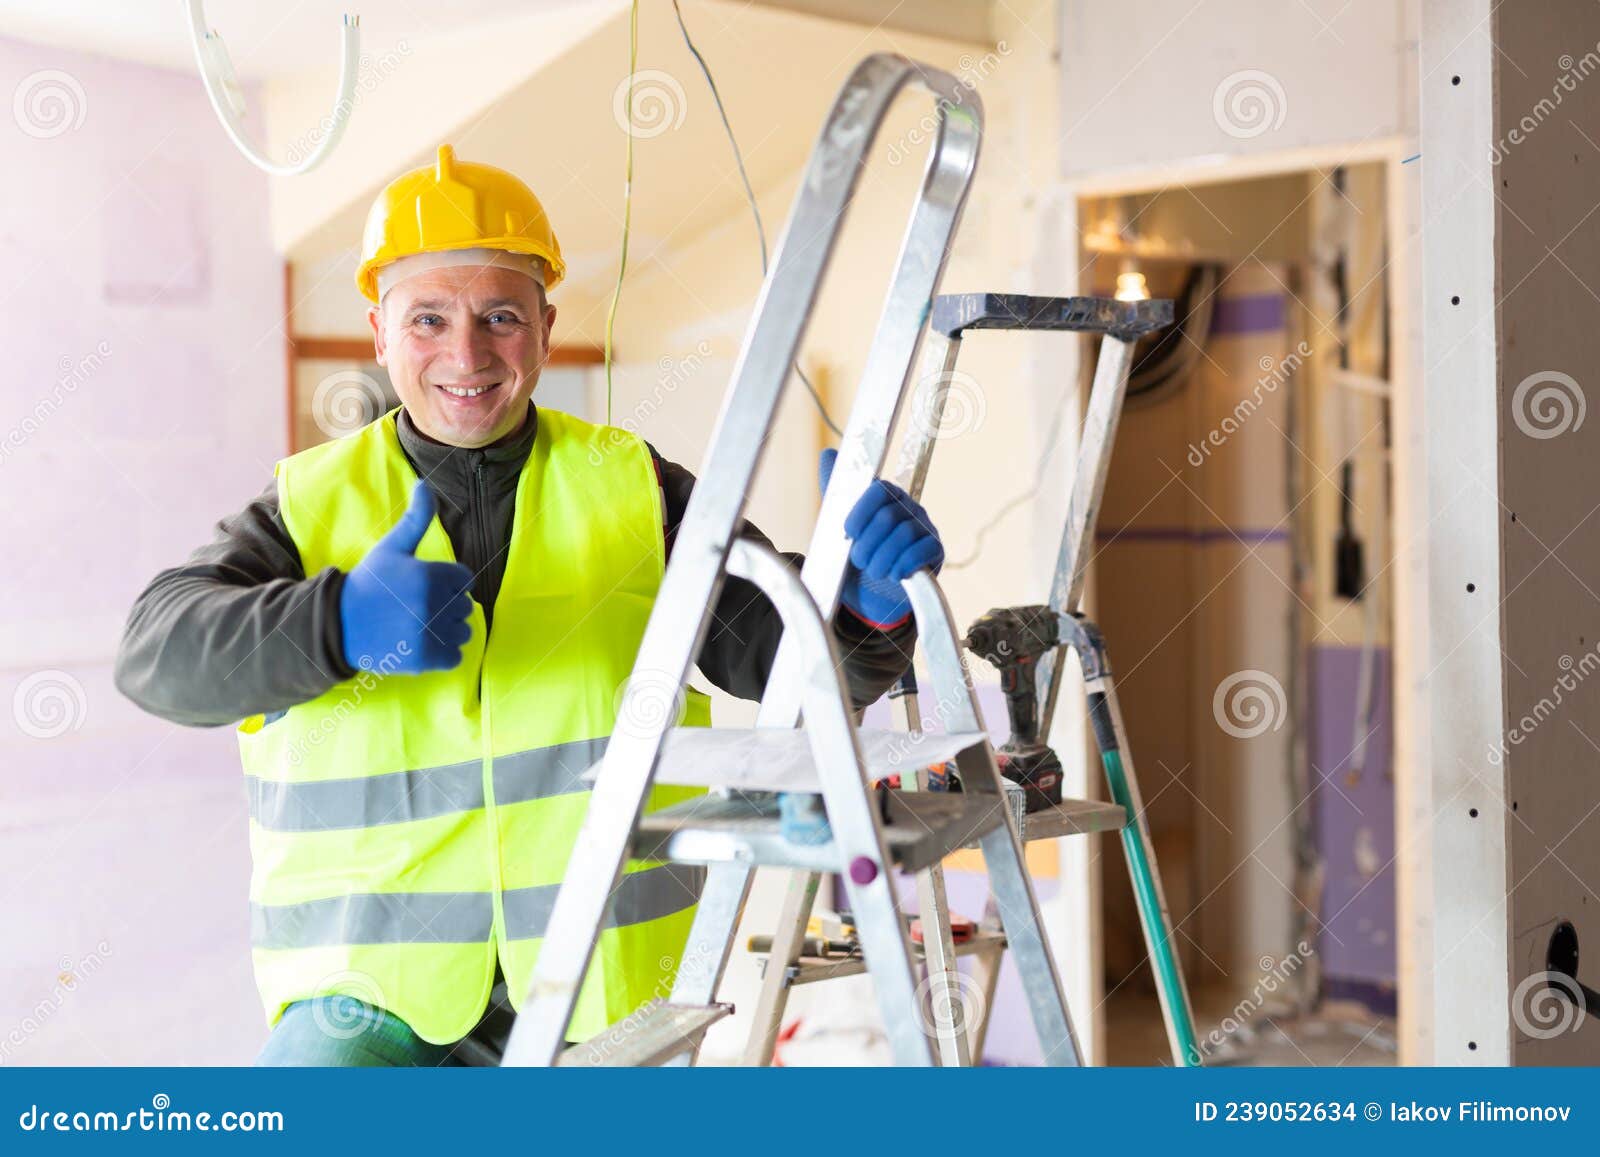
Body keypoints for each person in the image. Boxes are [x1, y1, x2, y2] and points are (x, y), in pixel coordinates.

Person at [115, 144, 945, 1066]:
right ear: (380, 333)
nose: (464, 354)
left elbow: (797, 669)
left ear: (545, 329)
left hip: (604, 996)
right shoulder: (308, 507)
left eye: (499, 316)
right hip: (367, 1010)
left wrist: (868, 606)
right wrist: (336, 621)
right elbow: (155, 657)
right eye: (427, 318)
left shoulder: (637, 490)